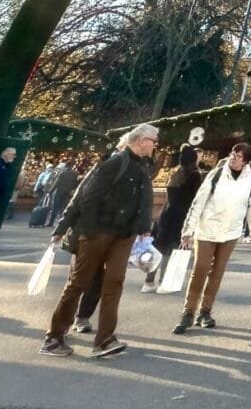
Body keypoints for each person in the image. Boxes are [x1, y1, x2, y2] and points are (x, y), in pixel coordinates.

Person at [38, 124, 157, 359]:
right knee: (79, 283)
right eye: (154, 140)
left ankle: (104, 340)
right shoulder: (115, 162)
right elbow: (87, 197)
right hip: (99, 232)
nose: (156, 145)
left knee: (114, 283)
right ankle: (54, 337)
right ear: (142, 141)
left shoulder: (143, 166)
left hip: (124, 234)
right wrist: (90, 232)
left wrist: (144, 229)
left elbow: (143, 201)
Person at [173, 143, 251, 334]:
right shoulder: (216, 174)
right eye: (233, 154)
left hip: (231, 232)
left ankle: (205, 312)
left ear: (246, 161)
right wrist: (188, 230)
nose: (234, 158)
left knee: (217, 272)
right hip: (207, 229)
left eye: (239, 156)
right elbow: (198, 202)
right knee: (200, 269)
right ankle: (188, 312)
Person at [143, 144, 200, 293]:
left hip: (166, 214)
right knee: (173, 250)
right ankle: (164, 281)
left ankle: (149, 281)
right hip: (181, 216)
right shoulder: (194, 175)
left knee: (159, 248)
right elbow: (194, 199)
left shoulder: (175, 173)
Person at [49, 157, 79, 229]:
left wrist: (51, 190)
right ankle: (61, 223)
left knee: (55, 207)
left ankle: (51, 222)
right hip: (67, 193)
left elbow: (57, 182)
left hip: (59, 191)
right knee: (64, 208)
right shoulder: (75, 174)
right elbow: (75, 184)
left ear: (66, 166)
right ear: (72, 165)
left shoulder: (62, 173)